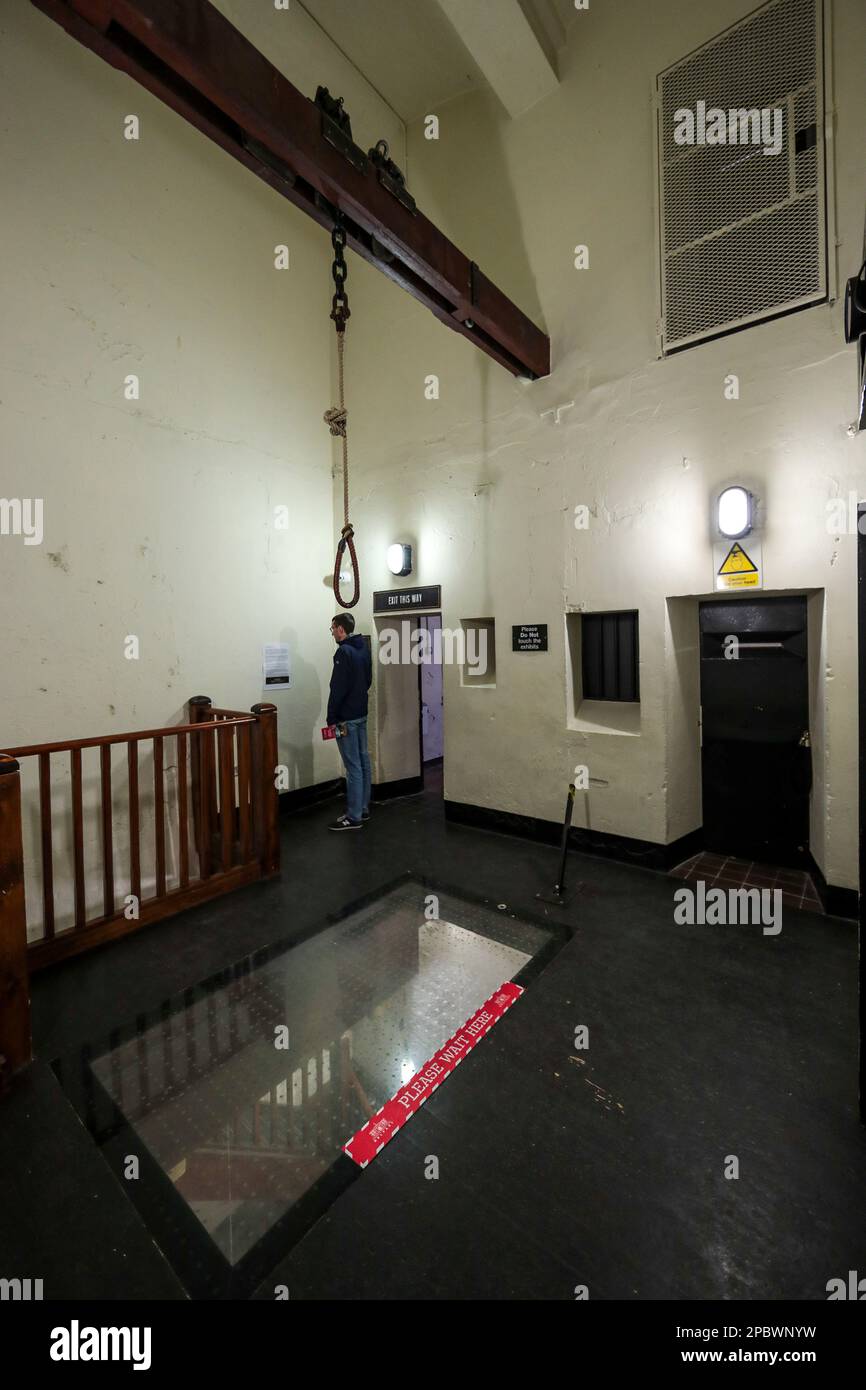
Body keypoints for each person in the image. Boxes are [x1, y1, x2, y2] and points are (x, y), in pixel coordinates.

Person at [327, 612, 372, 830]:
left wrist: (332, 717)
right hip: (361, 713)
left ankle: (353, 817)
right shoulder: (363, 648)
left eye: (333, 628)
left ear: (341, 629)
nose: (332, 632)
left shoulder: (343, 652)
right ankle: (362, 809)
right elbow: (368, 679)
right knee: (363, 762)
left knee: (352, 766)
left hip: (346, 719)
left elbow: (337, 688)